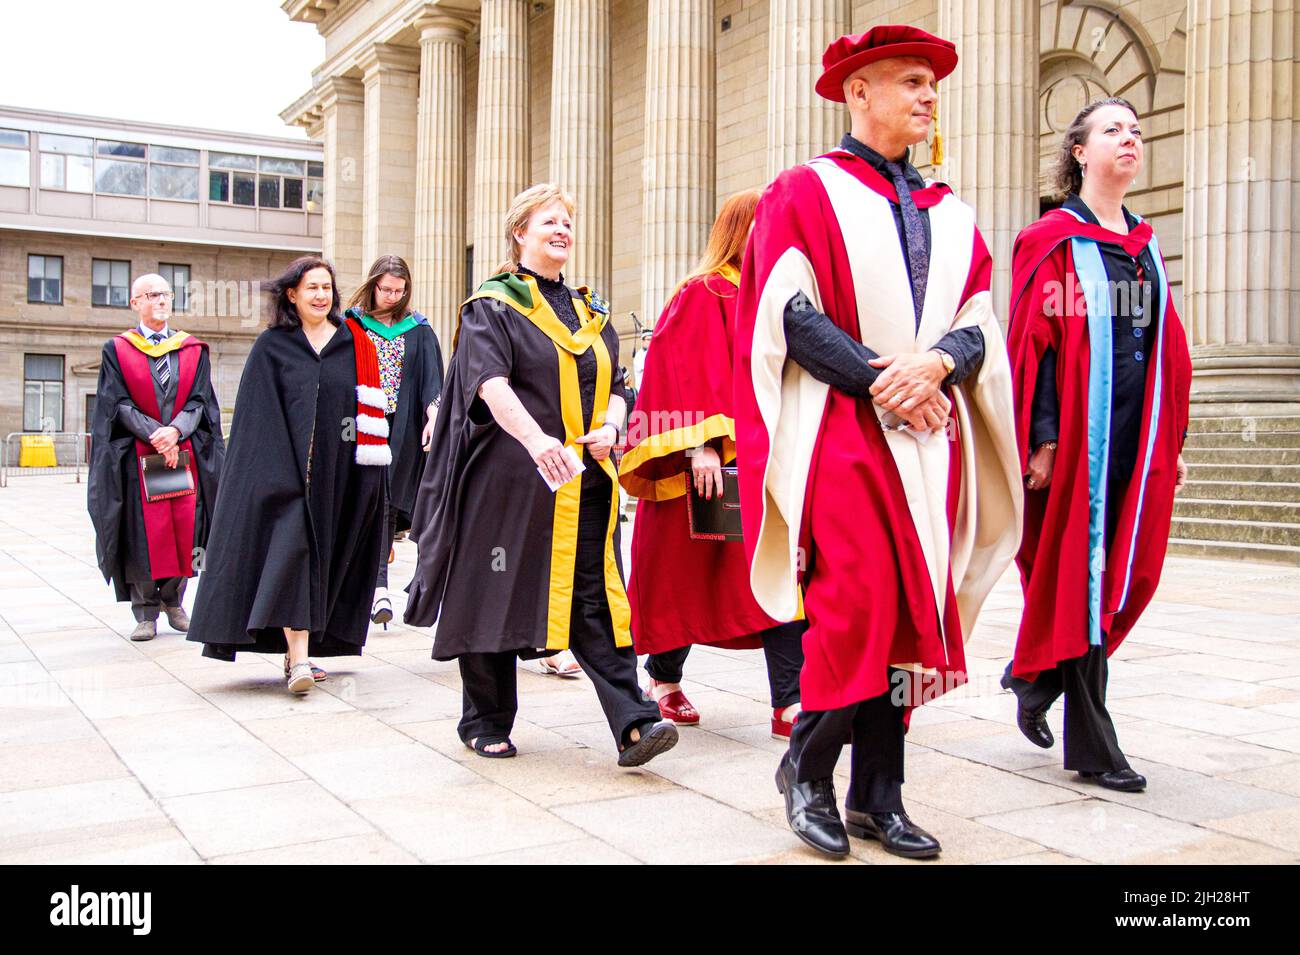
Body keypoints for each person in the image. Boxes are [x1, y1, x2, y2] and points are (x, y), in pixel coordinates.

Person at [734, 25, 1022, 859]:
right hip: (844, 428)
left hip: (930, 432)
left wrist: (935, 364)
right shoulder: (803, 190)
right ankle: (808, 768)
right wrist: (882, 378)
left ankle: (879, 796)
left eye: (931, 83)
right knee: (855, 603)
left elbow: (979, 326)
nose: (928, 95)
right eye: (909, 81)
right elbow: (787, 310)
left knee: (910, 613)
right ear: (859, 92)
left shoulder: (955, 213)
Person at [405, 183, 676, 765]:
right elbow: (488, 381)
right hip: (510, 481)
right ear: (519, 233)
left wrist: (612, 424)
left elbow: (621, 384)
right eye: (548, 221)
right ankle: (484, 718)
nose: (561, 231)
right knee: (494, 589)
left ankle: (634, 721)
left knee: (594, 594)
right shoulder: (492, 306)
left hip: (586, 480)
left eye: (567, 223)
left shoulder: (591, 311)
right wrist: (536, 441)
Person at [1002, 98, 1192, 792]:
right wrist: (1043, 437)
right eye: (1113, 129)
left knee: (1116, 578)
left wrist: (1170, 437)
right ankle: (1094, 744)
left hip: (1136, 444)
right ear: (1080, 151)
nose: (1130, 139)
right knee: (1081, 580)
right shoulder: (1053, 238)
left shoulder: (1144, 242)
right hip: (1079, 445)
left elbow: (1167, 346)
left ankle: (1032, 674)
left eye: (1136, 130)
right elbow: (1036, 347)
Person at [619, 190, 806, 737]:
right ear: (741, 230)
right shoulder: (704, 293)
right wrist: (700, 445)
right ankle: (664, 678)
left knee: (778, 574)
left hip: (767, 462)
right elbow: (683, 371)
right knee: (687, 578)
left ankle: (789, 702)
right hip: (706, 469)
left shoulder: (773, 296)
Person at [187, 257, 389, 694]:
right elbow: (256, 419)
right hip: (283, 479)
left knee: (325, 560)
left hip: (338, 479)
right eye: (311, 287)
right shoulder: (273, 347)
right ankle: (299, 658)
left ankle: (300, 647)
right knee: (293, 553)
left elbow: (367, 412)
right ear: (291, 295)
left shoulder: (355, 344)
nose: (321, 295)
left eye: (327, 287)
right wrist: (278, 470)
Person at [88, 273, 225, 642]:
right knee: (143, 532)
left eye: (166, 294)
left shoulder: (192, 349)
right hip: (139, 455)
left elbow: (201, 402)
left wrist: (176, 431)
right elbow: (116, 403)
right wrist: (156, 433)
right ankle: (145, 611)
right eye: (152, 295)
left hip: (181, 455)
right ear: (135, 303)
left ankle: (175, 602)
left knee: (185, 529)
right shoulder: (117, 350)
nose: (161, 300)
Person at [343, 255, 444, 625]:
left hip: (400, 429)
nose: (391, 296)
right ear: (373, 285)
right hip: (357, 425)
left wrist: (435, 414)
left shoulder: (417, 329)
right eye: (385, 289)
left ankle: (381, 587)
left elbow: (433, 380)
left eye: (398, 291)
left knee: (385, 499)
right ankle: (367, 587)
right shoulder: (350, 325)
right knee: (364, 502)